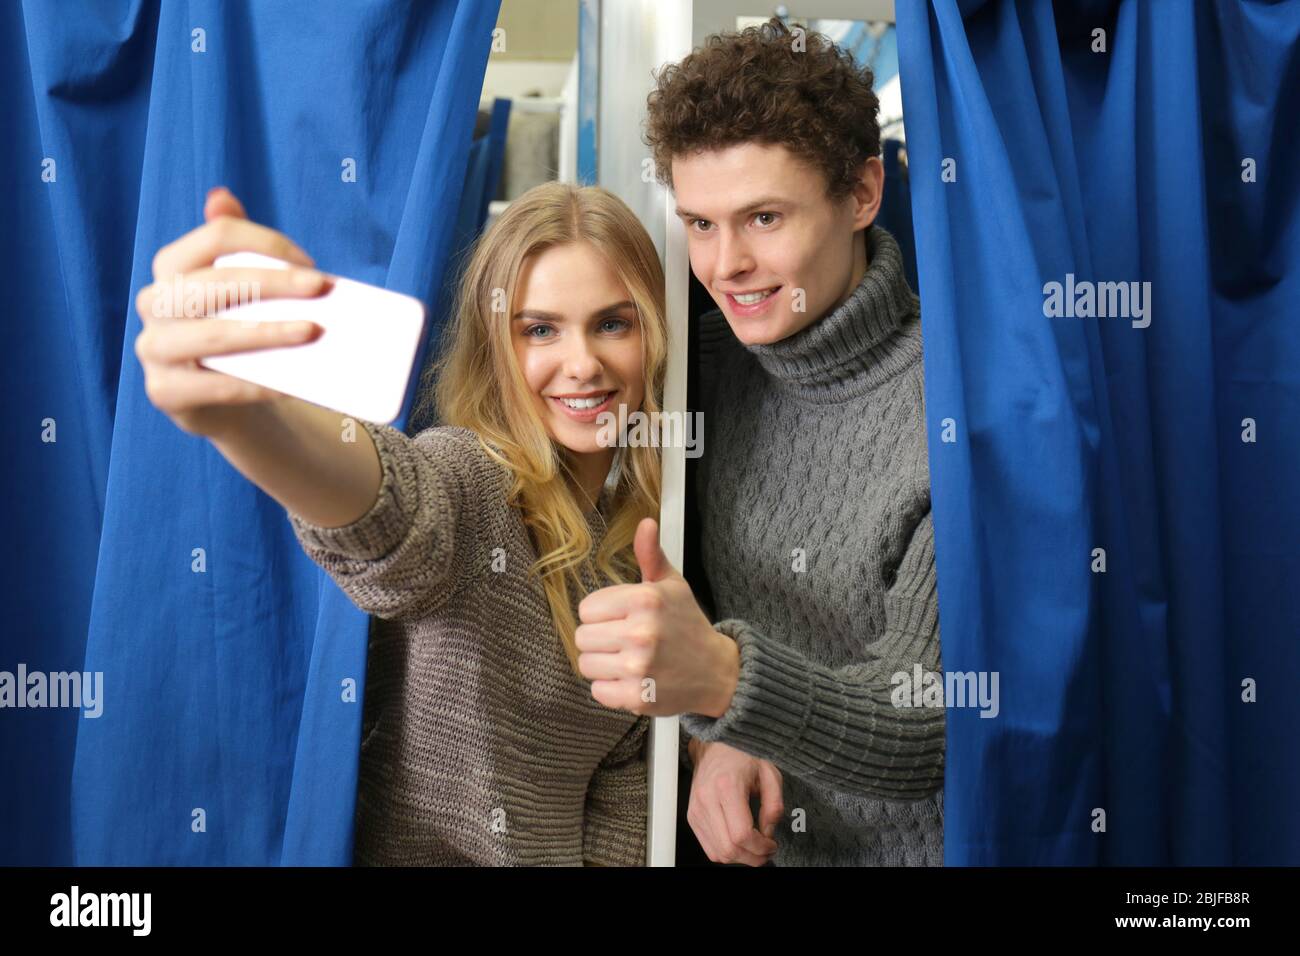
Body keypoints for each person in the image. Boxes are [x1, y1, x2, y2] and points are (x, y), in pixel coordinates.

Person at [135, 181, 667, 865]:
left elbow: (618, 835)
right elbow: (384, 515)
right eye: (540, 330)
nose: (582, 363)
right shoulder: (472, 481)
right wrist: (247, 418)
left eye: (612, 323)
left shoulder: (636, 560)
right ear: (496, 349)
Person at [575, 18, 945, 866]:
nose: (726, 264)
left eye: (764, 217)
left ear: (861, 193)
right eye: (700, 224)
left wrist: (723, 681)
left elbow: (929, 719)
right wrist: (717, 736)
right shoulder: (692, 368)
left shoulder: (955, 407)